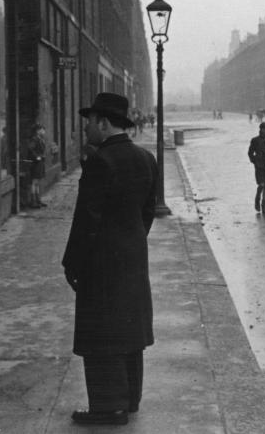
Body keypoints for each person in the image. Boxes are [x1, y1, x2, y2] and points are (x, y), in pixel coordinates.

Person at [62, 93, 159, 426]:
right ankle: (130, 399)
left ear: (103, 124)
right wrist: (130, 241)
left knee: (101, 333)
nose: (86, 127)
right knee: (129, 330)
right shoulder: (146, 158)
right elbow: (148, 211)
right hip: (132, 257)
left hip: (100, 263)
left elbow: (86, 221)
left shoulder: (100, 163)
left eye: (90, 121)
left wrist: (71, 264)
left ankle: (108, 407)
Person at [247, 121, 265, 214]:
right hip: (260, 166)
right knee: (262, 184)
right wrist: (255, 161)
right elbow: (250, 153)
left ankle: (264, 205)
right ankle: (257, 199)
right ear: (262, 130)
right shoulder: (255, 140)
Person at [25, 124, 47, 208]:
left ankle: (38, 200)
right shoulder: (34, 139)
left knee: (37, 182)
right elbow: (30, 148)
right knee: (34, 182)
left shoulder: (40, 139)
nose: (44, 131)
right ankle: (33, 202)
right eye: (42, 129)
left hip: (40, 163)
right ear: (38, 130)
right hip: (35, 163)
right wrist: (37, 157)